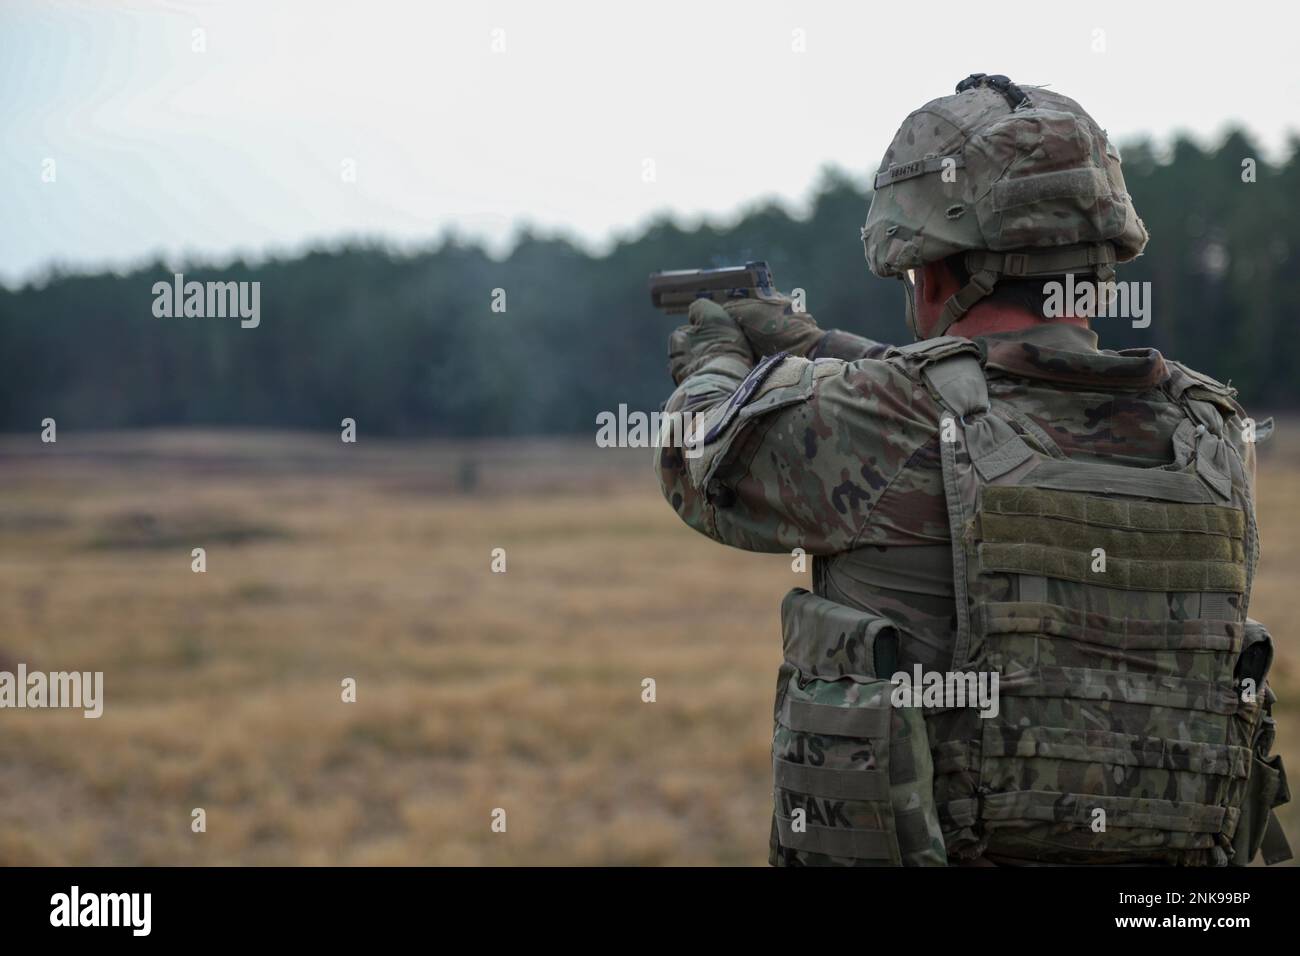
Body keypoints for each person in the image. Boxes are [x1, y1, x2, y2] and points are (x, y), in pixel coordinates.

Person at [655, 74, 1290, 867]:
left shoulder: (884, 419)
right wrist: (813, 346)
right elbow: (992, 393)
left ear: (932, 269)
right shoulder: (1212, 431)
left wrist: (716, 358)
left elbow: (697, 458)